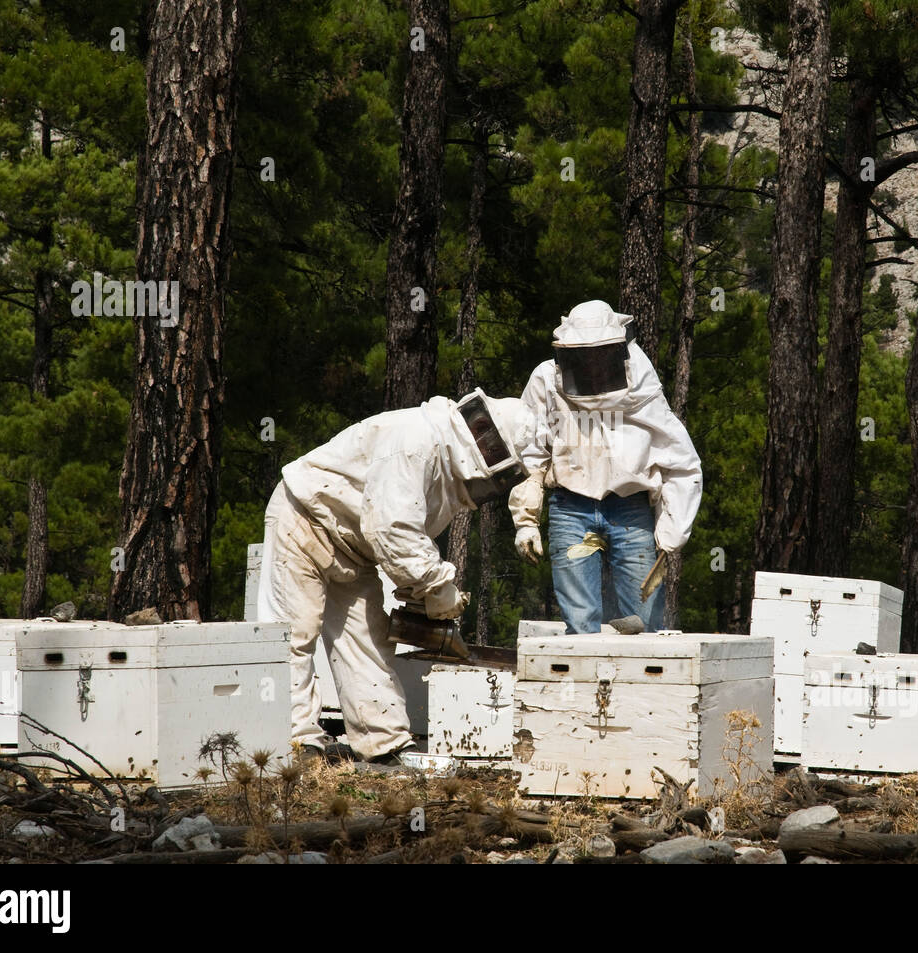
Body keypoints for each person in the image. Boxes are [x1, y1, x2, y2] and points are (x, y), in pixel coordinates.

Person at [258, 389, 535, 763]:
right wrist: (437, 588)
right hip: (305, 517)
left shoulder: (445, 461)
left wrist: (425, 590)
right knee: (295, 632)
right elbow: (394, 530)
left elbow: (396, 537)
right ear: (485, 437)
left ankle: (382, 744)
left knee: (369, 639)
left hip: (354, 545)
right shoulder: (416, 444)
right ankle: (295, 742)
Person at [509, 301, 702, 634]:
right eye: (584, 356)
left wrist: (671, 533)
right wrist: (525, 520)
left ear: (616, 351)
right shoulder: (546, 380)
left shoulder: (639, 384)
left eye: (599, 355)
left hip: (630, 509)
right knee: (580, 621)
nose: (593, 366)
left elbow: (679, 459)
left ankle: (641, 687)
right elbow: (530, 450)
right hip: (569, 507)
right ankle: (585, 687)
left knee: (643, 624)